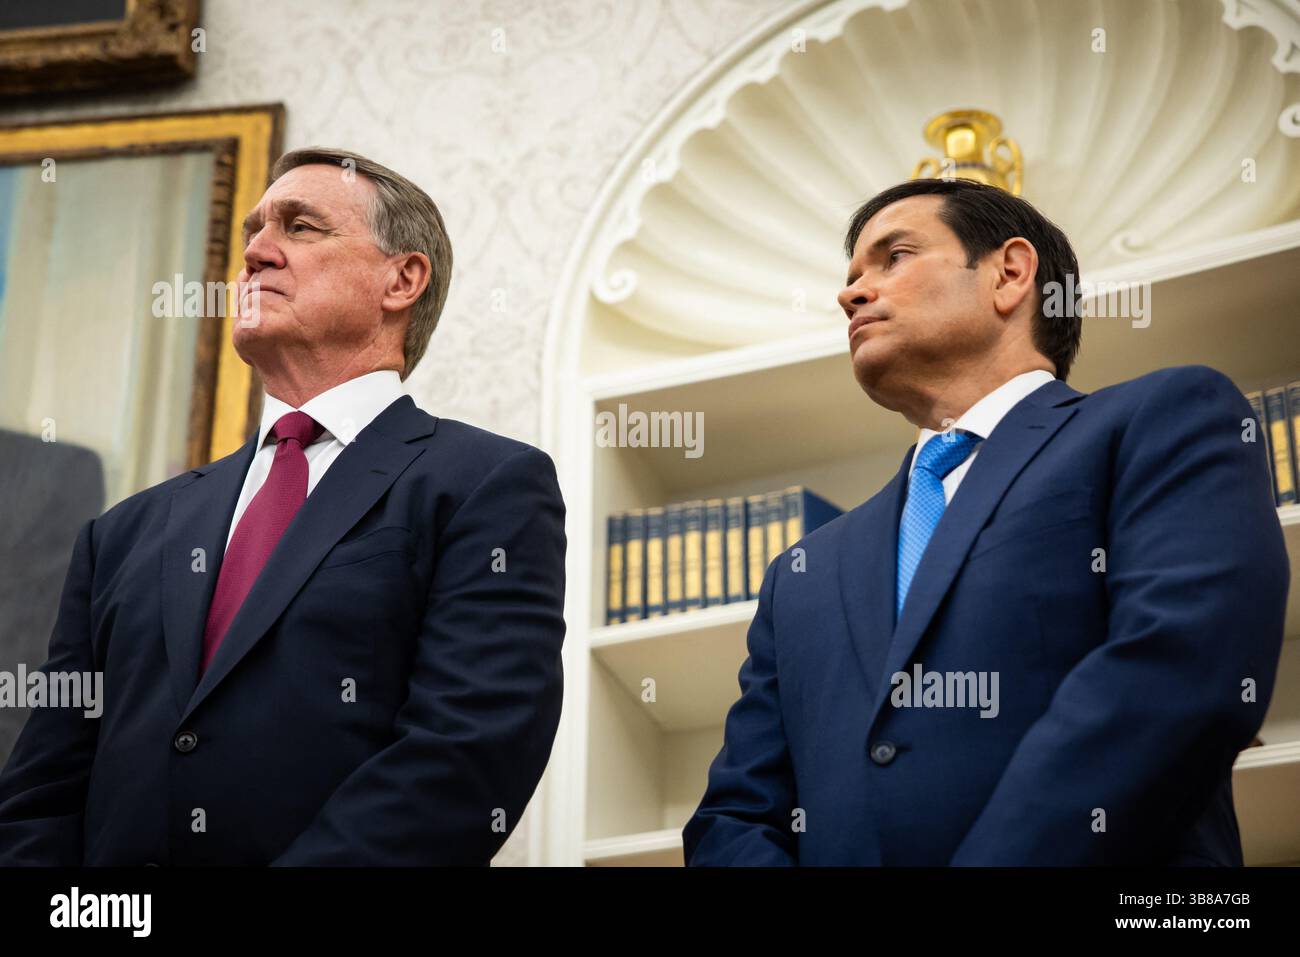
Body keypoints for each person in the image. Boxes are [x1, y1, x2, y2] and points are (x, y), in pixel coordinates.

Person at [683, 178, 1288, 865]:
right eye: (850, 277)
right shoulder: (800, 573)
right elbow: (734, 814)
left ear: (1010, 273)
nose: (850, 293)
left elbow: (1181, 671)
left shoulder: (1163, 418)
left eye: (894, 257)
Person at [0, 147, 567, 866]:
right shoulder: (121, 534)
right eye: (252, 232)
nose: (256, 253)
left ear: (402, 279)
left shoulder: (485, 484)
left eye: (300, 228)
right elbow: (40, 796)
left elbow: (467, 750)